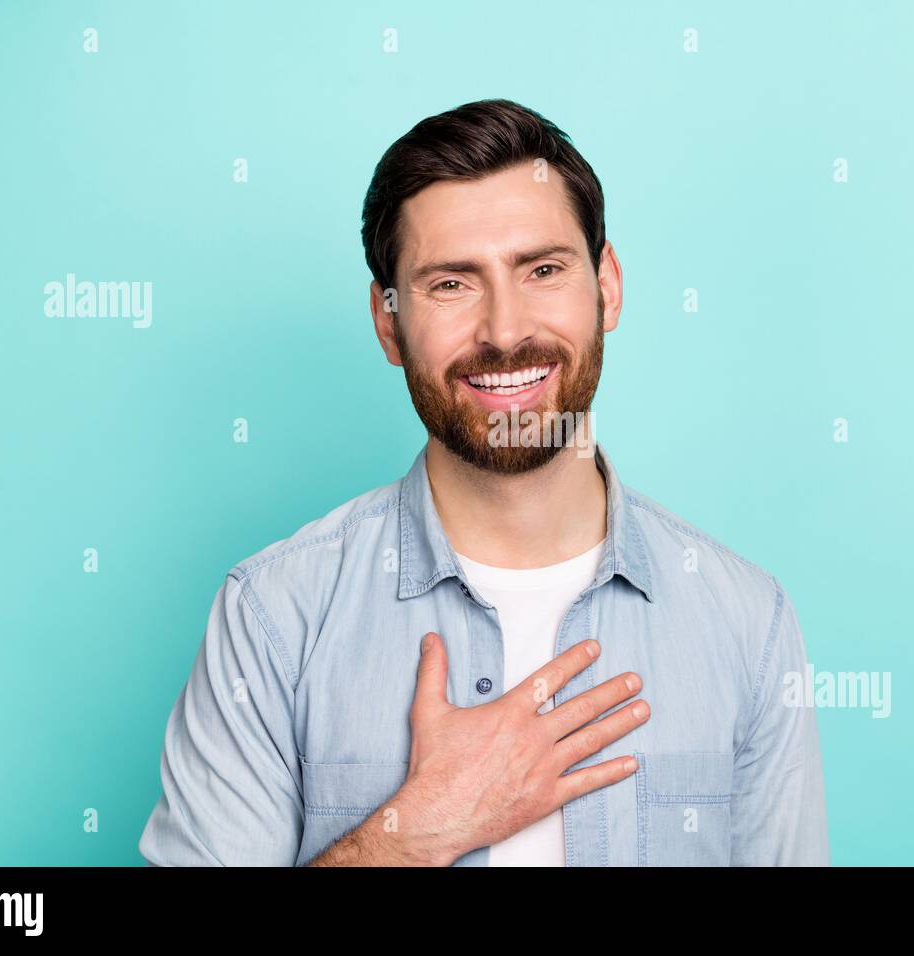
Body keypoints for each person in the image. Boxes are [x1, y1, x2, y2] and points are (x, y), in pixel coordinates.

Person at [138, 98, 829, 867]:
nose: (504, 331)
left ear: (607, 287)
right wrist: (417, 832)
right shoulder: (272, 618)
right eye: (451, 285)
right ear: (387, 322)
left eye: (542, 270)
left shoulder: (747, 622)